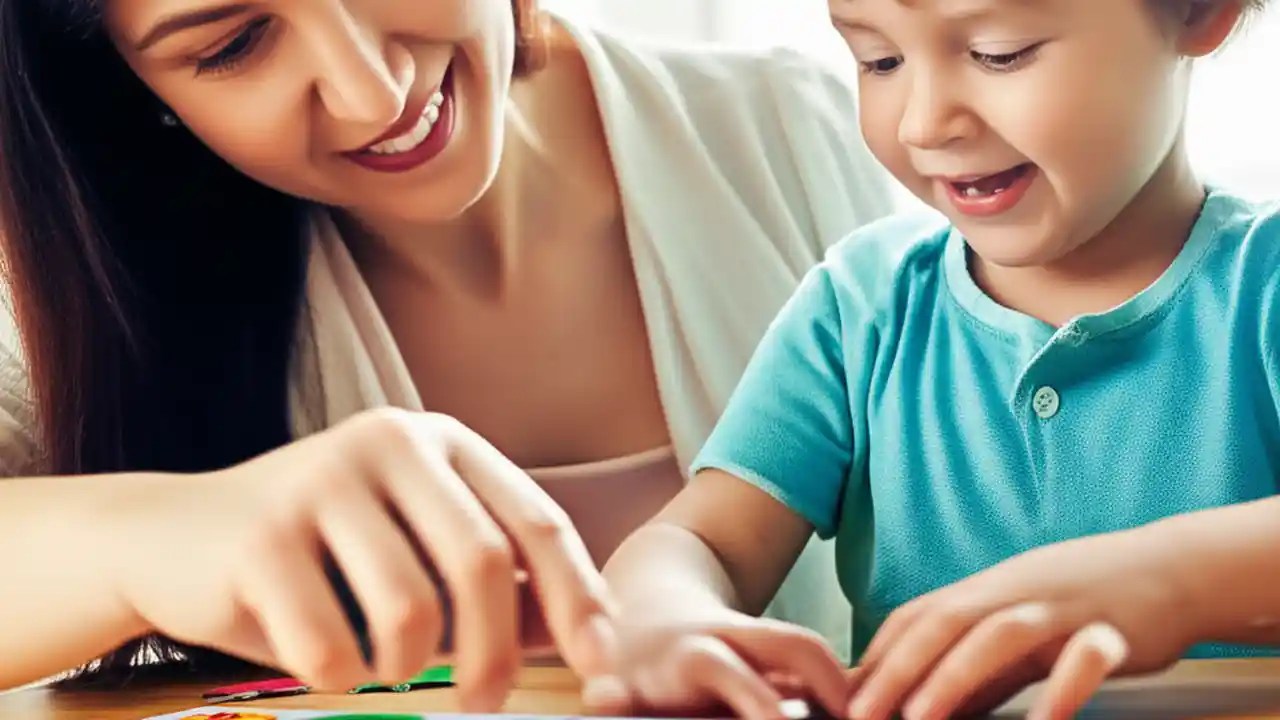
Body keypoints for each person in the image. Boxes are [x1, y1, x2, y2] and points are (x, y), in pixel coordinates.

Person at [0, 0, 895, 705]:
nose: (371, 89)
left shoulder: (807, 132)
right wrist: (150, 535)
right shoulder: (83, 290)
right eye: (234, 45)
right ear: (126, 85)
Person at [601, 0, 1280, 718]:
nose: (922, 123)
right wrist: (663, 618)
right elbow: (702, 540)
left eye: (1000, 52)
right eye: (879, 61)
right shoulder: (861, 305)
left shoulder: (1262, 287)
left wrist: (1162, 585)